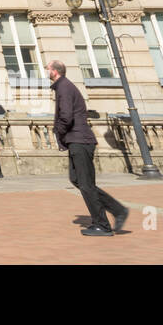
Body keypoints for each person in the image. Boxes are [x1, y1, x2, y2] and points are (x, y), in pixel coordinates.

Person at [48, 60, 128, 237]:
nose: (47, 70)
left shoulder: (64, 88)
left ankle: (104, 224)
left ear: (54, 71)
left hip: (80, 140)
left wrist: (58, 132)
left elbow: (66, 116)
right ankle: (117, 210)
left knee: (85, 184)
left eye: (48, 68)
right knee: (77, 179)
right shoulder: (63, 87)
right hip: (77, 140)